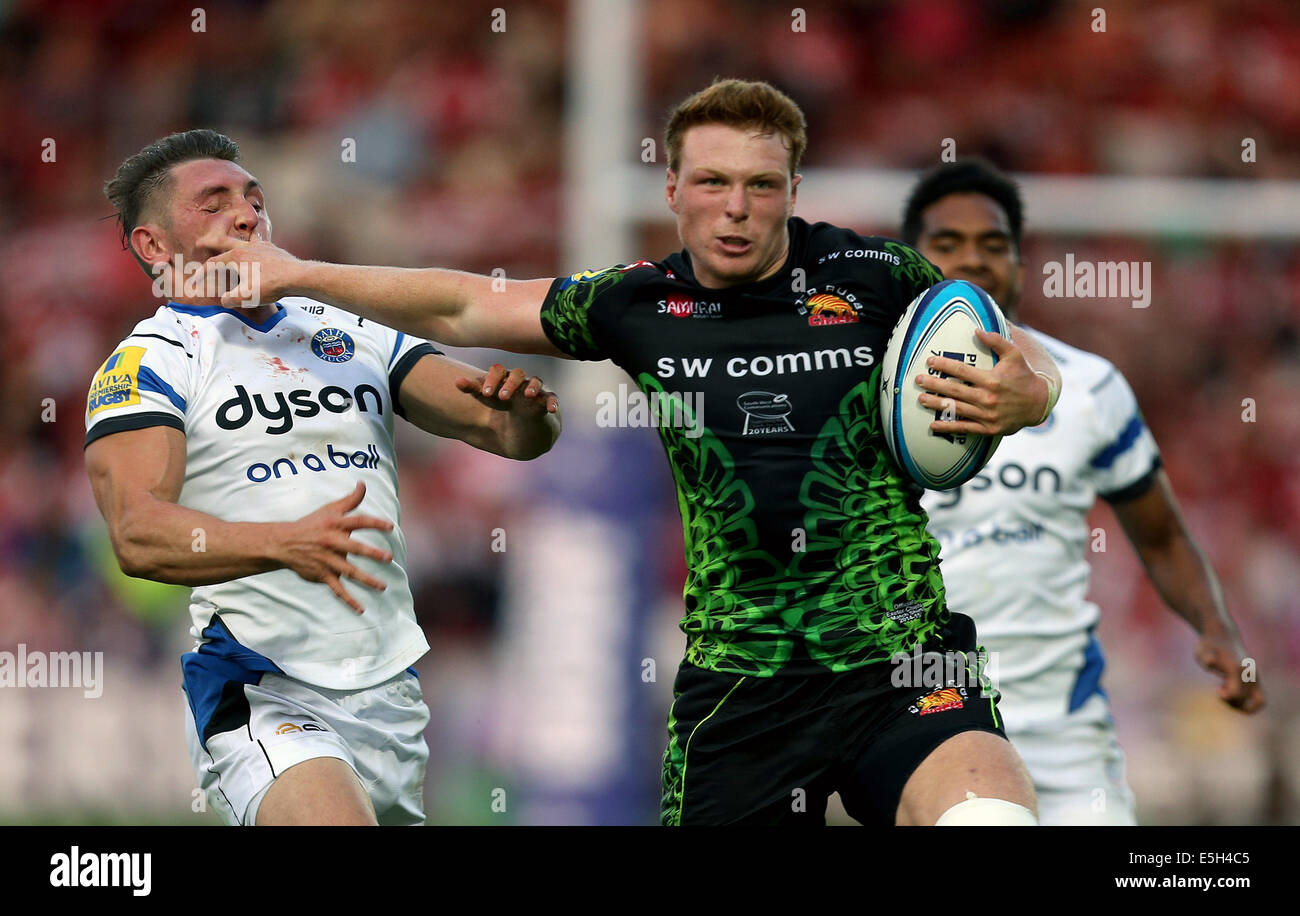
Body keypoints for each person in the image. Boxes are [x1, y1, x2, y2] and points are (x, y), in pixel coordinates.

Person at [208, 80, 1062, 826]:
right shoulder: (636, 303)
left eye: (762, 186)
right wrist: (295, 273)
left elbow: (1020, 348)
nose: (737, 207)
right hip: (740, 686)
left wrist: (1036, 391)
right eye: (714, 182)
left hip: (902, 656)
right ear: (674, 188)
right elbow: (466, 308)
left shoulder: (875, 273)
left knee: (987, 817)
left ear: (793, 190)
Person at [85, 129, 561, 826]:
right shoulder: (150, 362)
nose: (246, 216)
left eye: (254, 199)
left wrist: (526, 416)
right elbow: (137, 531)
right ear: (154, 247)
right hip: (262, 683)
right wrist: (282, 542)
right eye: (213, 203)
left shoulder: (345, 325)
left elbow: (505, 431)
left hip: (389, 689)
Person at [901, 157, 1265, 825]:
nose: (972, 260)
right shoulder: (865, 394)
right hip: (928, 720)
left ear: (1019, 260)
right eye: (946, 243)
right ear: (910, 254)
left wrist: (1218, 630)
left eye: (993, 244)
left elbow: (1159, 534)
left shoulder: (1091, 386)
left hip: (1065, 733)